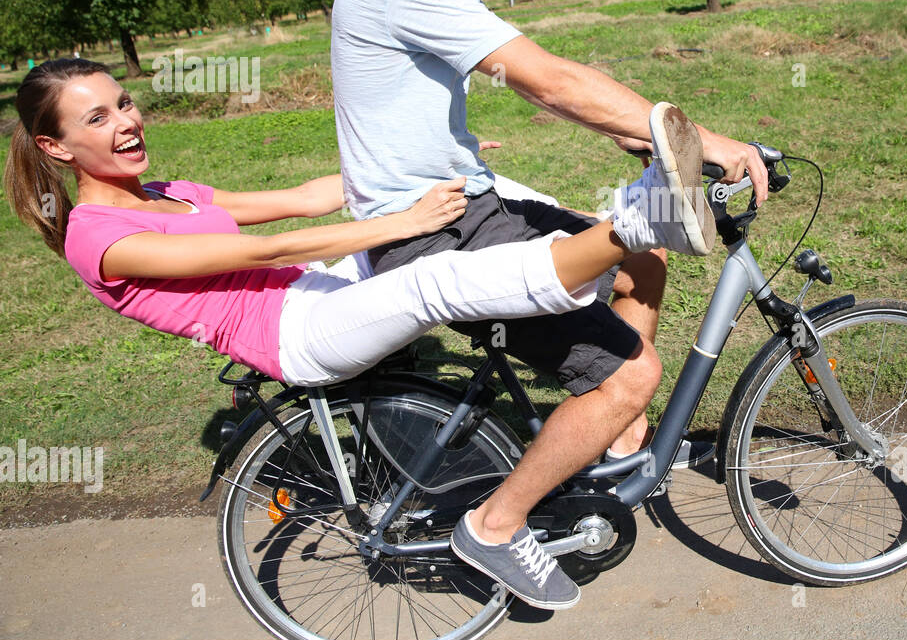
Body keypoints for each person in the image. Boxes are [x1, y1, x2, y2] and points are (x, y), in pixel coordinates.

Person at [3, 59, 715, 606]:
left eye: (123, 103)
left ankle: (616, 409)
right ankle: (630, 226)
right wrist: (396, 222)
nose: (125, 123)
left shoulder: (165, 194)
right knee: (427, 277)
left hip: (318, 289)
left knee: (485, 195)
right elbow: (262, 251)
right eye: (95, 119)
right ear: (54, 147)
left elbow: (300, 199)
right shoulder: (96, 237)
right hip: (297, 332)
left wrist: (420, 162)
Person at [329, 0, 768, 608]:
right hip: (441, 238)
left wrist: (623, 130)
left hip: (463, 210)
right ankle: (495, 526)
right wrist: (699, 140)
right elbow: (546, 75)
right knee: (635, 374)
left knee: (644, 252)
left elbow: (521, 79)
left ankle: (611, 435)